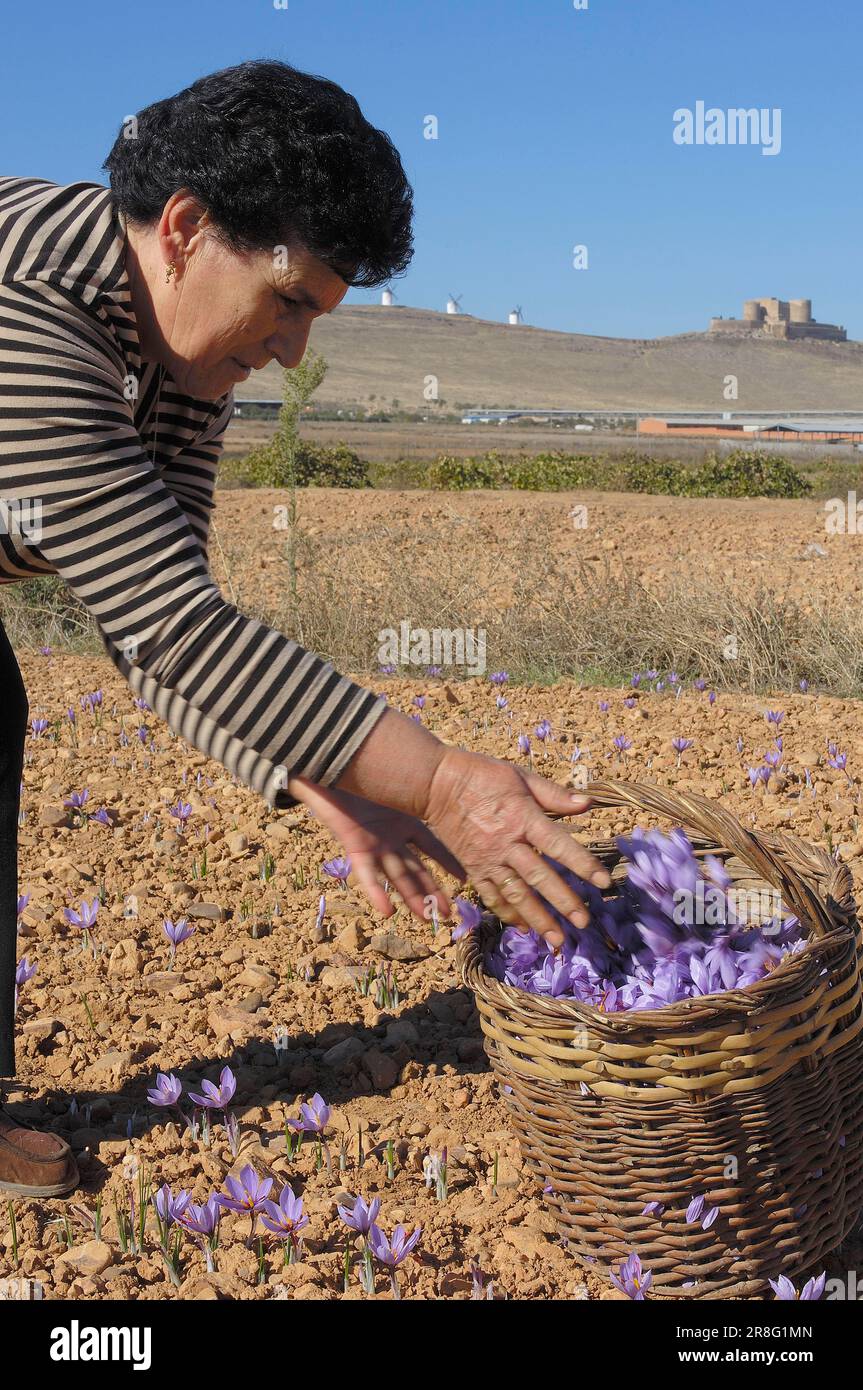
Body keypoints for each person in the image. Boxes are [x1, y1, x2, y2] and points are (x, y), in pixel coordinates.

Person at [0, 59, 608, 1196]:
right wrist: (438, 782)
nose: (292, 352)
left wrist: (321, 777)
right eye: (287, 303)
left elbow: (155, 621)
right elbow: (175, 625)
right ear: (184, 227)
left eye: (315, 316)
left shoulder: (183, 356)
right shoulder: (30, 305)